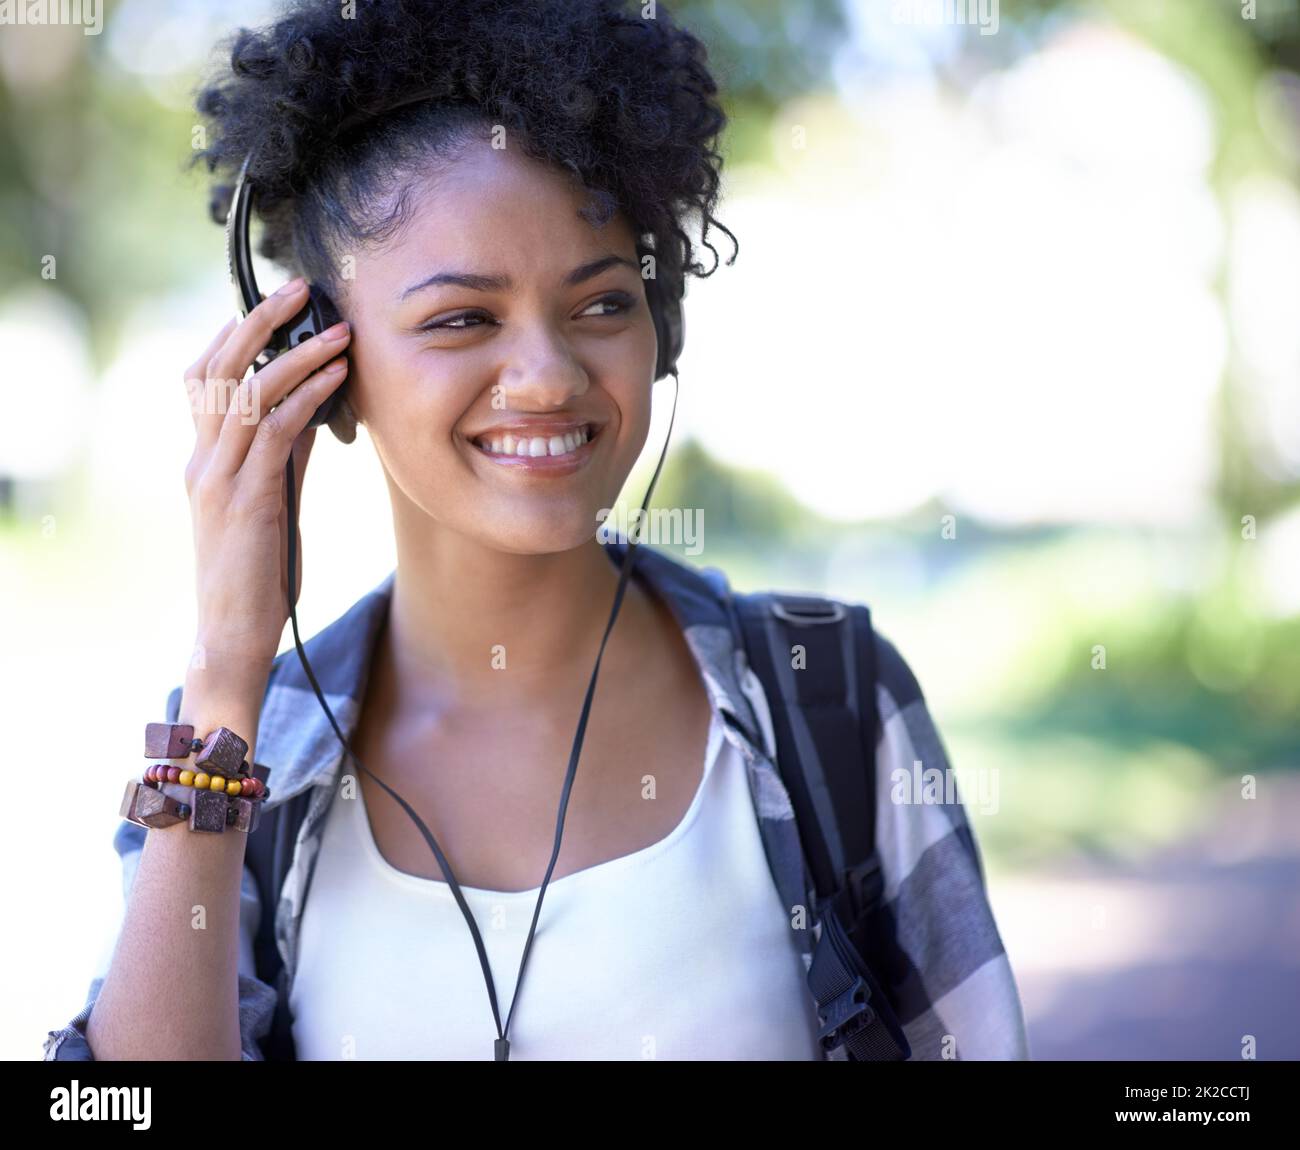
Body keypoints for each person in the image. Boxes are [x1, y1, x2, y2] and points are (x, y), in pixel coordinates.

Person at [44, 0, 1029, 1061]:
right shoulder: (242, 757)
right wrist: (226, 668)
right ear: (320, 357)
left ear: (663, 327)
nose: (549, 376)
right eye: (462, 317)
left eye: (602, 304)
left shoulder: (829, 698)